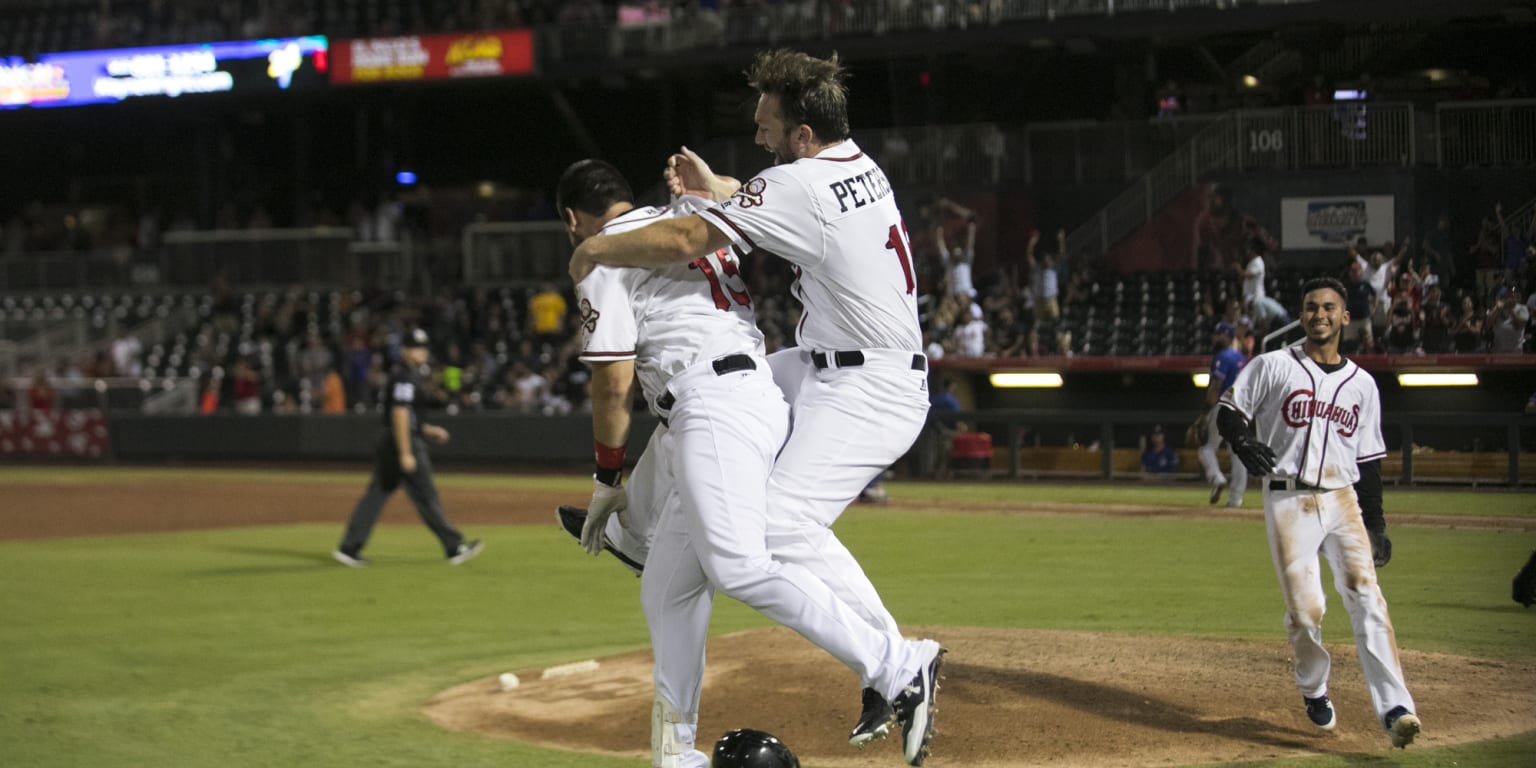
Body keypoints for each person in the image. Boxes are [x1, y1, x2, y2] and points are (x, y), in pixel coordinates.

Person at [570, 49, 944, 765]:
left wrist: (596, 248)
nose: (758, 133)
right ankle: (674, 738)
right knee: (669, 583)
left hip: (868, 385)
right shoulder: (855, 164)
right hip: (814, 366)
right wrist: (719, 187)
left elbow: (689, 236)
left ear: (803, 134)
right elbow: (772, 197)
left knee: (763, 533)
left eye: (768, 123)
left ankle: (895, 663)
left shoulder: (795, 184)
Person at [1216, 276, 1421, 749]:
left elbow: (1369, 461)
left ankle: (1396, 709)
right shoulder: (1273, 364)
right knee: (1306, 611)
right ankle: (1313, 686)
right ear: (1301, 315)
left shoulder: (1363, 384)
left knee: (1367, 596)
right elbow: (1229, 410)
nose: (1319, 314)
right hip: (1288, 499)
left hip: (1342, 498)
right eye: (1311, 307)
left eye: (1329, 307)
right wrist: (1242, 441)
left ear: (1345, 317)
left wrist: (1376, 522)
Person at [332, 328, 483, 568]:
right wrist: (405, 452)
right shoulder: (404, 376)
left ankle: (349, 547)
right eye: (415, 347)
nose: (421, 352)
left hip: (394, 439)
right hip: (402, 441)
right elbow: (400, 413)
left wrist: (427, 429)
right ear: (404, 350)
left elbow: (408, 416)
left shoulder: (407, 374)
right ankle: (454, 546)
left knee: (376, 494)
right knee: (426, 494)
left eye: (423, 347)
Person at [1195, 321, 1247, 508]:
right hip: (1241, 407)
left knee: (1206, 448)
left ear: (1227, 336)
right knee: (1238, 453)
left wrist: (1203, 415)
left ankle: (1217, 478)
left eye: (1219, 334)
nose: (1215, 337)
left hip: (1224, 405)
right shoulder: (1241, 358)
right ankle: (1235, 499)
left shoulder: (1222, 356)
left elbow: (1215, 387)